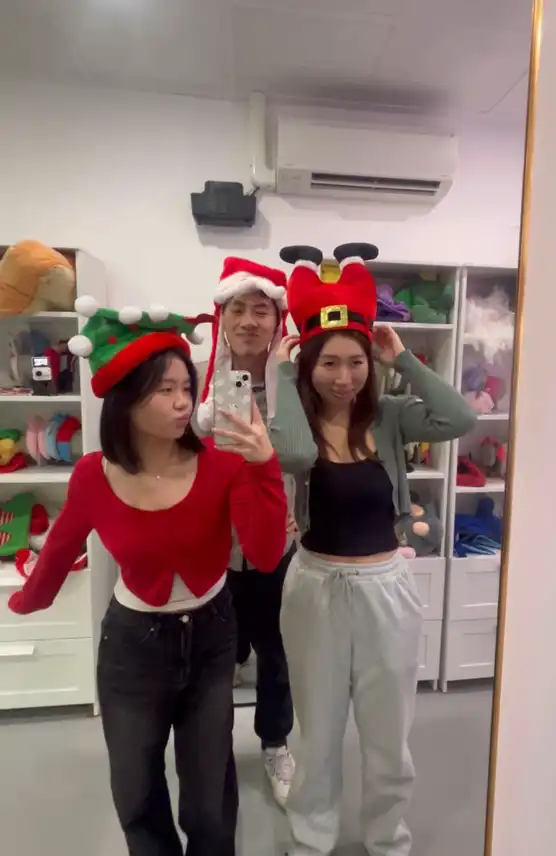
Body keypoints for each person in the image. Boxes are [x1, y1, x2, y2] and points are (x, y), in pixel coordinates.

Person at [8, 298, 288, 856]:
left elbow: (263, 553)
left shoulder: (223, 463)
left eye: (187, 387)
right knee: (135, 791)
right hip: (133, 646)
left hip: (212, 637)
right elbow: (60, 548)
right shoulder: (93, 474)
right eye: (165, 390)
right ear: (125, 398)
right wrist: (27, 601)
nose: (184, 402)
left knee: (209, 798)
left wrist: (264, 467)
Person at [268, 243, 477, 856]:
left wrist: (402, 357)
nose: (344, 377)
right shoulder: (295, 419)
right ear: (307, 365)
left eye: (355, 362)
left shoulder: (389, 416)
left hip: (386, 587)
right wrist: (281, 375)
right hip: (315, 588)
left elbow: (459, 418)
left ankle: (388, 839)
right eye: (328, 363)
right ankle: (312, 839)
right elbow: (292, 455)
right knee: (319, 733)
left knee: (389, 737)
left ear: (370, 361)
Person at [198, 257, 297, 806]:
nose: (249, 321)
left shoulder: (295, 379)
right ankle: (211, 749)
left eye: (262, 310)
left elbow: (310, 454)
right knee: (214, 656)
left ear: (277, 319)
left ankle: (275, 743)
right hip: (211, 543)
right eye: (238, 308)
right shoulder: (196, 374)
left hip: (276, 541)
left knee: (277, 652)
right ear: (223, 315)